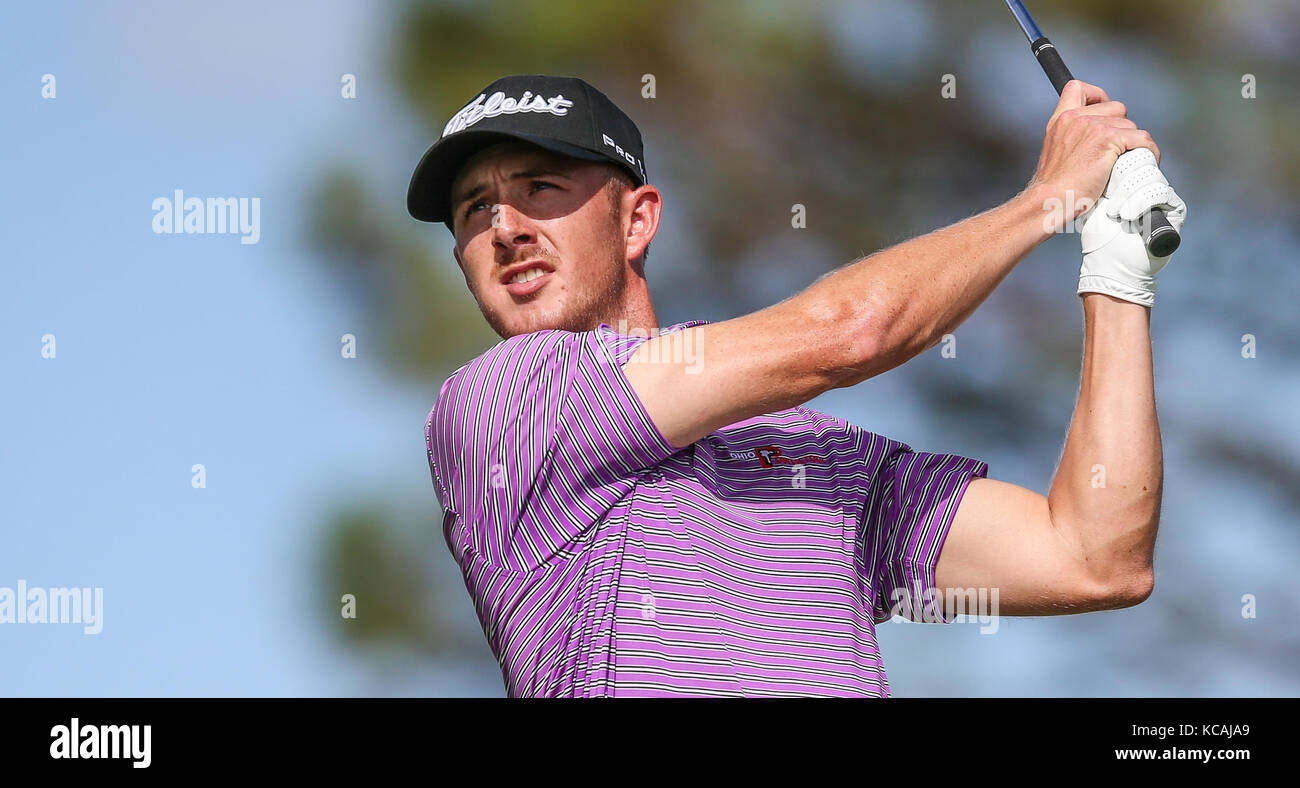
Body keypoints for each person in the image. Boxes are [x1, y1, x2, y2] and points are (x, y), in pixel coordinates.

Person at [406, 74, 1186, 697]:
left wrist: (1117, 277)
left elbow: (1094, 558)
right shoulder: (501, 406)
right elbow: (850, 332)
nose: (504, 226)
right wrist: (1046, 200)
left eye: (539, 186)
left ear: (637, 220)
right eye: (476, 209)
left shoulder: (820, 456)